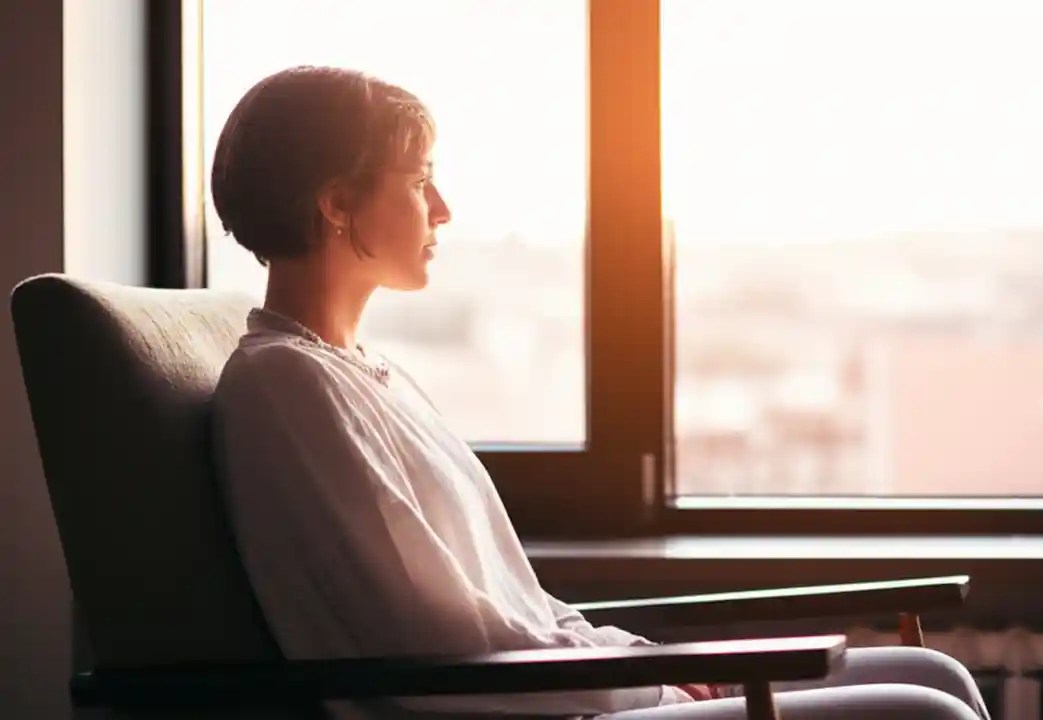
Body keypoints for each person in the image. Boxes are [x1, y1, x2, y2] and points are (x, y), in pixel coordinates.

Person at [209, 65, 992, 720]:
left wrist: (649, 659)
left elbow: (513, 604)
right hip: (526, 709)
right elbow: (434, 638)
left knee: (937, 678)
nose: (442, 209)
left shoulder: (365, 373)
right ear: (337, 202)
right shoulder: (286, 386)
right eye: (419, 182)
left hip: (562, 689)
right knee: (929, 712)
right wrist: (649, 686)